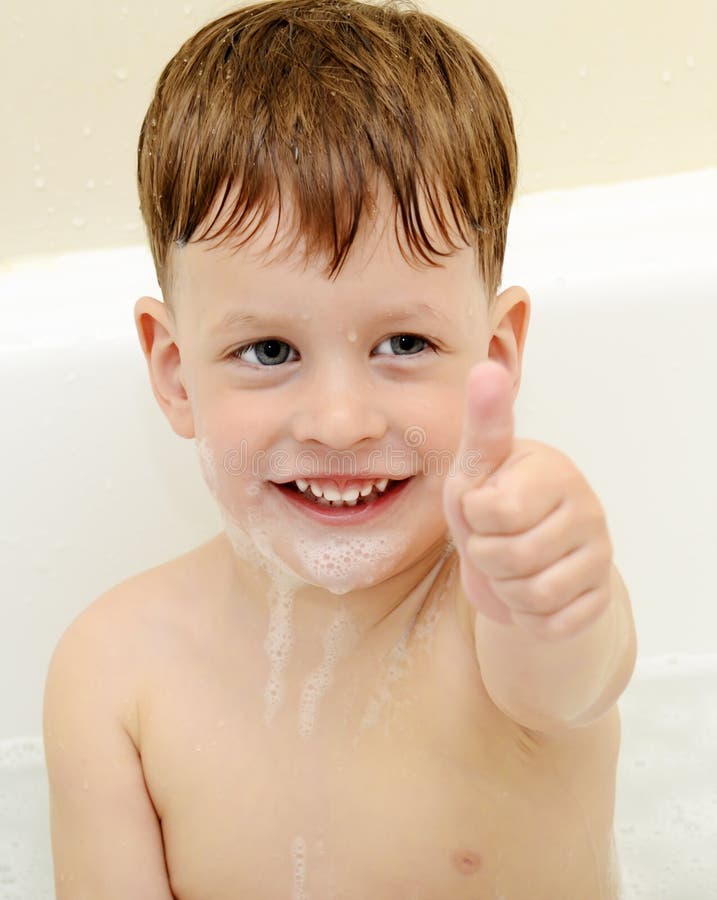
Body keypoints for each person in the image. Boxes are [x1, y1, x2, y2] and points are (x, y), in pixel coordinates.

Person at [43, 1, 637, 897]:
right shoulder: (114, 674)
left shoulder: (498, 617)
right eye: (269, 351)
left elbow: (575, 676)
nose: (339, 420)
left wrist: (558, 586)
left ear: (498, 355)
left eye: (404, 344)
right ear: (173, 373)